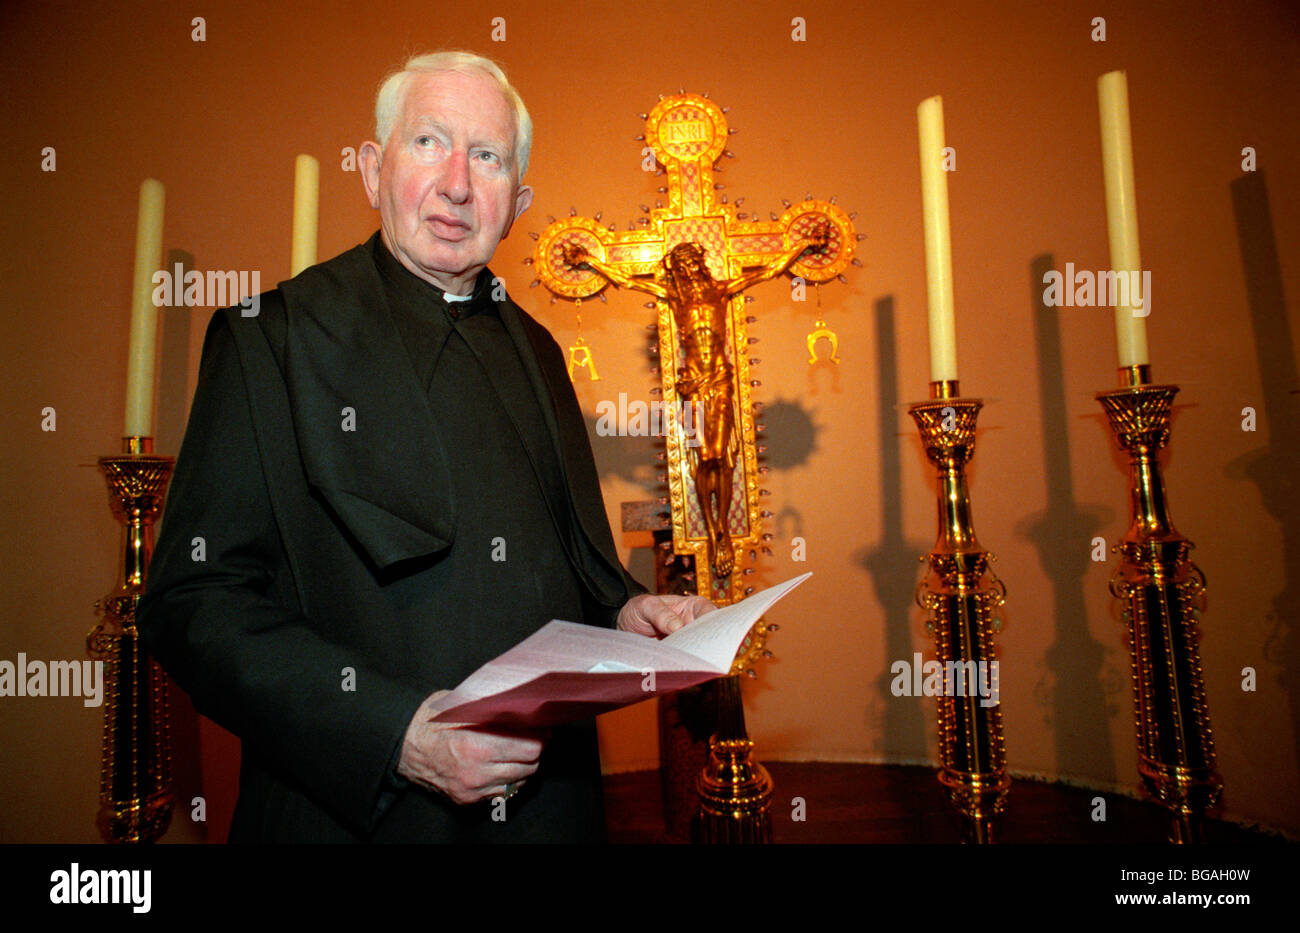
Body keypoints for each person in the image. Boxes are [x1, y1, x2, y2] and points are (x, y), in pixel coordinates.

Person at [138, 50, 713, 843]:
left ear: (517, 201)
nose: (456, 184)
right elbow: (191, 605)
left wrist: (626, 613)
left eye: (487, 157)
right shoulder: (271, 340)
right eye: (428, 143)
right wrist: (396, 734)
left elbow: (573, 575)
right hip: (351, 819)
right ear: (373, 170)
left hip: (552, 819)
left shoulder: (539, 350)